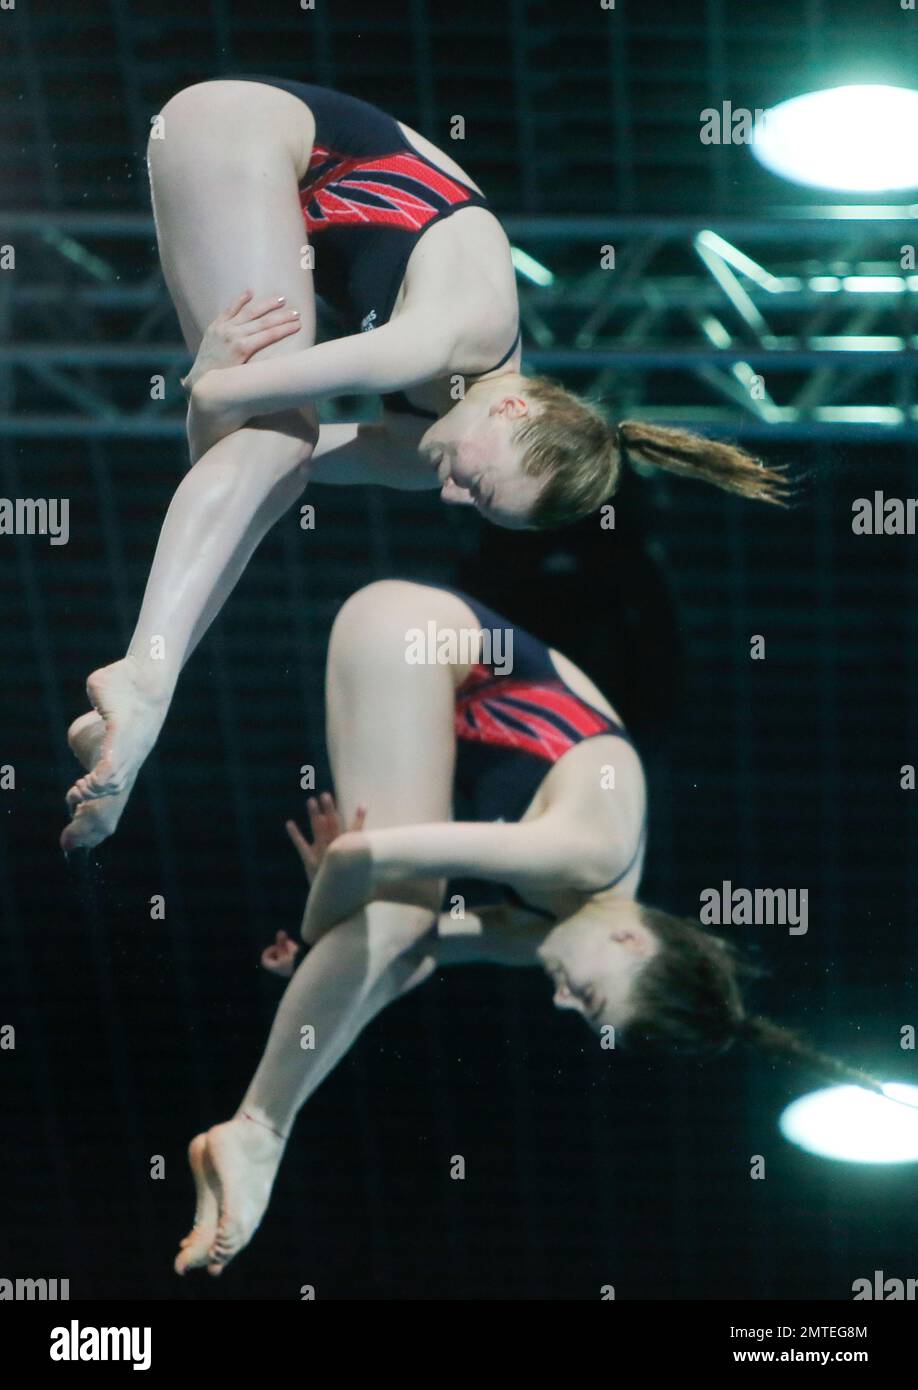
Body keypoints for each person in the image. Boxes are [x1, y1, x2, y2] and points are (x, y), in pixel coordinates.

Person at [61, 76, 787, 852]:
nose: (450, 495)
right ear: (513, 409)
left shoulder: (422, 454)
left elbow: (227, 455)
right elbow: (227, 405)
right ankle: (147, 682)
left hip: (268, 188)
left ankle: (149, 681)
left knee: (281, 452)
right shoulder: (468, 327)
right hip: (249, 129)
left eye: (474, 504)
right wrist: (210, 390)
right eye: (477, 484)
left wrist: (211, 394)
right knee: (277, 435)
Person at [172, 579, 878, 1277]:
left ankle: (260, 1132)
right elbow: (359, 862)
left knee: (402, 929)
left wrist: (316, 966)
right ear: (631, 942)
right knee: (403, 908)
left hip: (430, 684)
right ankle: (260, 1131)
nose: (562, 1000)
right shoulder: (591, 851)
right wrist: (326, 921)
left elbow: (408, 953)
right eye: (591, 998)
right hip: (414, 633)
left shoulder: (548, 932)